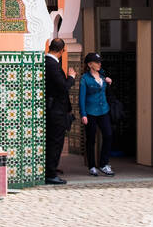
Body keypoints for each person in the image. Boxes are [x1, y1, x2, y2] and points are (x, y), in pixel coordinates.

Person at [44, 39, 76, 185]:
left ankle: (51, 169)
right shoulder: (52, 65)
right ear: (62, 50)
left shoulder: (50, 64)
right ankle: (50, 173)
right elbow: (62, 87)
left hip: (55, 109)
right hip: (56, 111)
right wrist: (71, 78)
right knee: (55, 142)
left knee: (54, 141)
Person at [79, 52, 114, 176]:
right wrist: (83, 114)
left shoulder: (102, 75)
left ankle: (104, 163)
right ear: (89, 64)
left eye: (100, 62)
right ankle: (92, 166)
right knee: (91, 139)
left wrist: (107, 81)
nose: (99, 64)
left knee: (108, 135)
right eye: (96, 62)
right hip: (90, 112)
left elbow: (105, 88)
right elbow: (81, 98)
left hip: (104, 110)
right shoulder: (85, 78)